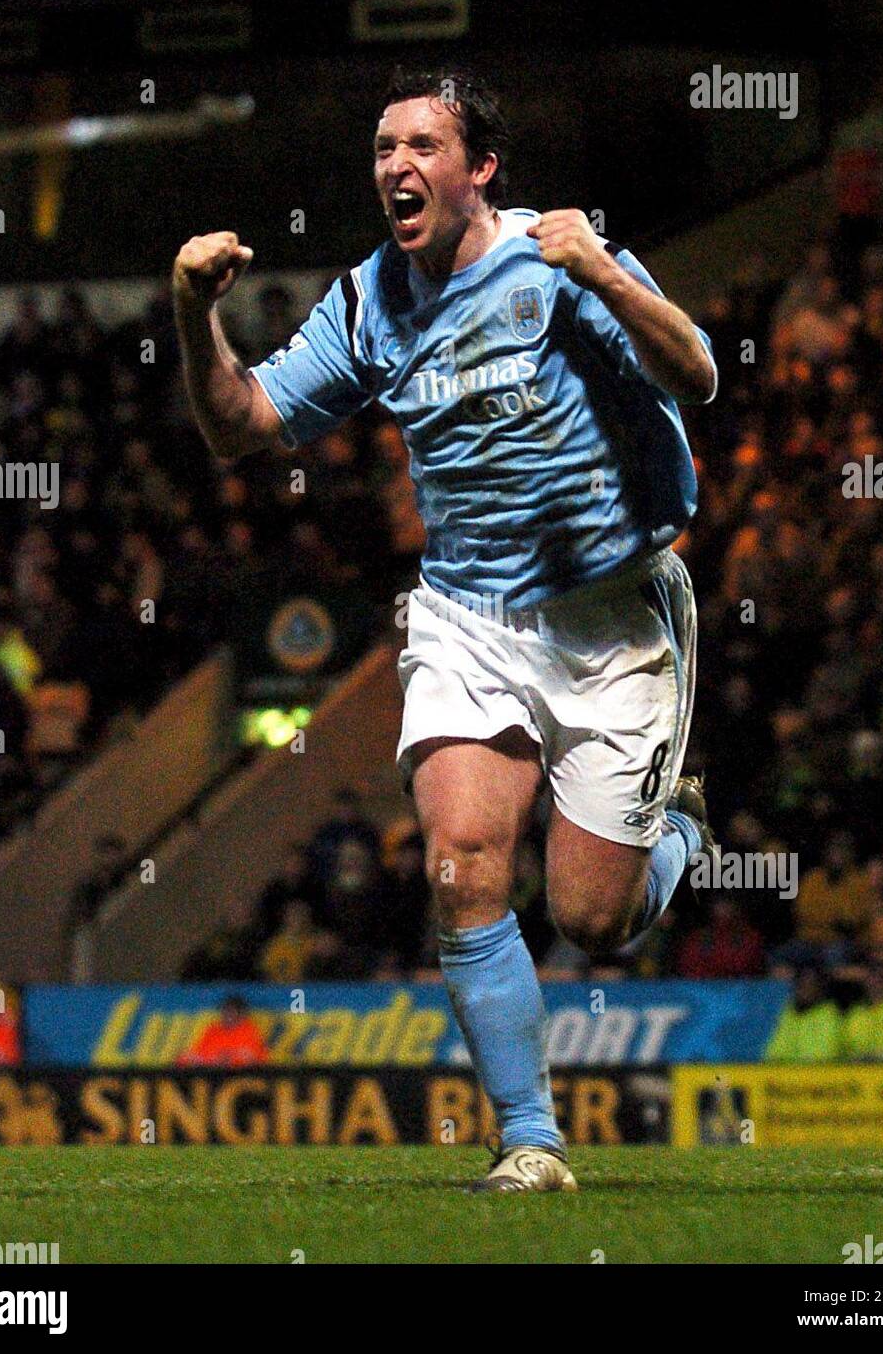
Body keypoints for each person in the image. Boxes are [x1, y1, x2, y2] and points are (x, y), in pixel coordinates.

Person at [173, 65, 717, 1192]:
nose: (396, 167)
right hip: (470, 616)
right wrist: (190, 313)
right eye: (382, 148)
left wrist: (607, 277)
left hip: (616, 620)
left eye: (422, 145)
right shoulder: (371, 301)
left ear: (480, 171)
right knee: (463, 868)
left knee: (590, 918)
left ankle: (679, 835)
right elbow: (244, 428)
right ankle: (531, 1142)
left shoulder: (560, 260)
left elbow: (698, 374)